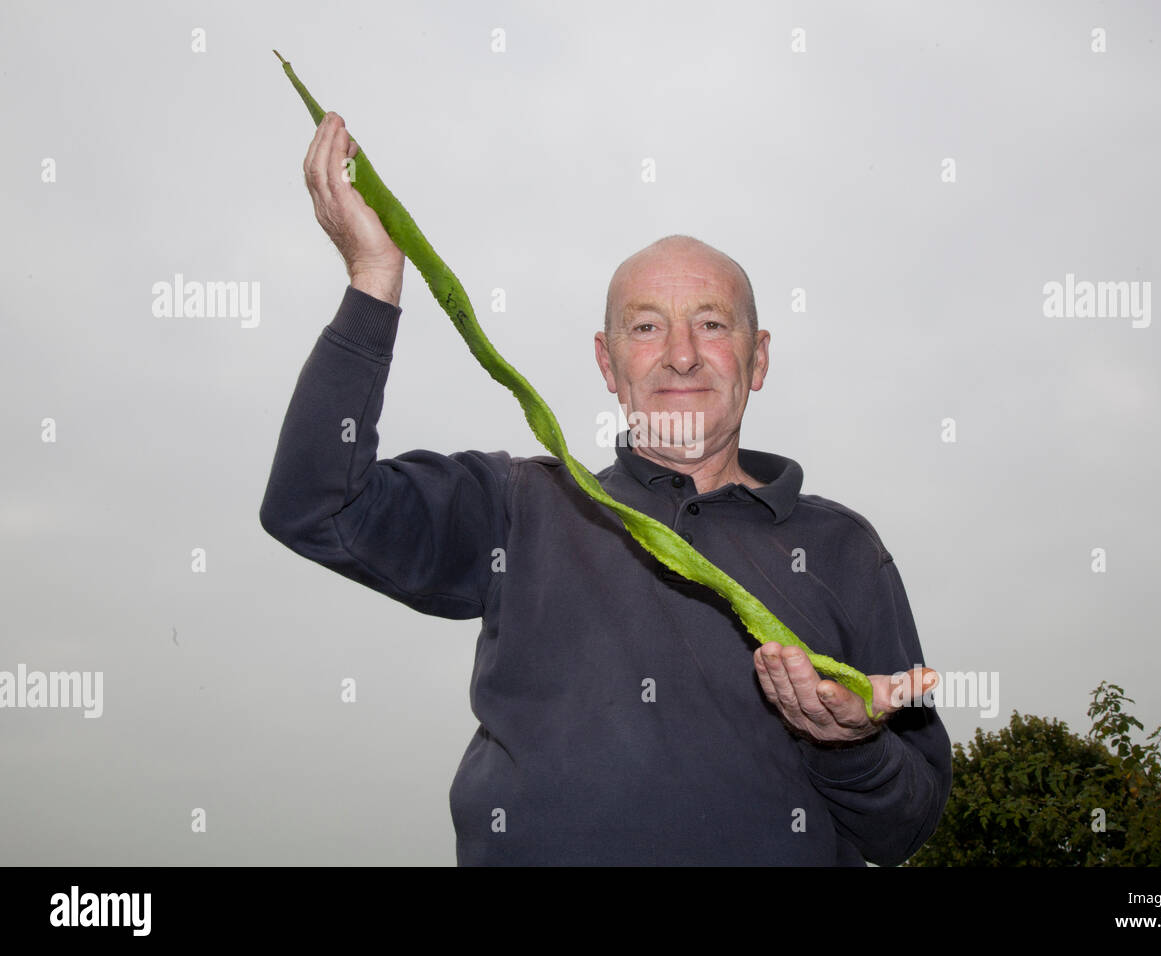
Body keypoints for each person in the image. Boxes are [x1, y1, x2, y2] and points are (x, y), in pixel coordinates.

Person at [260, 112, 952, 865]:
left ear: (757, 360)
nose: (682, 356)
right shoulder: (516, 506)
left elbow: (905, 828)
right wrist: (373, 280)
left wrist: (847, 743)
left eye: (713, 325)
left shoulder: (845, 549)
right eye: (648, 327)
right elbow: (317, 505)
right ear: (607, 362)